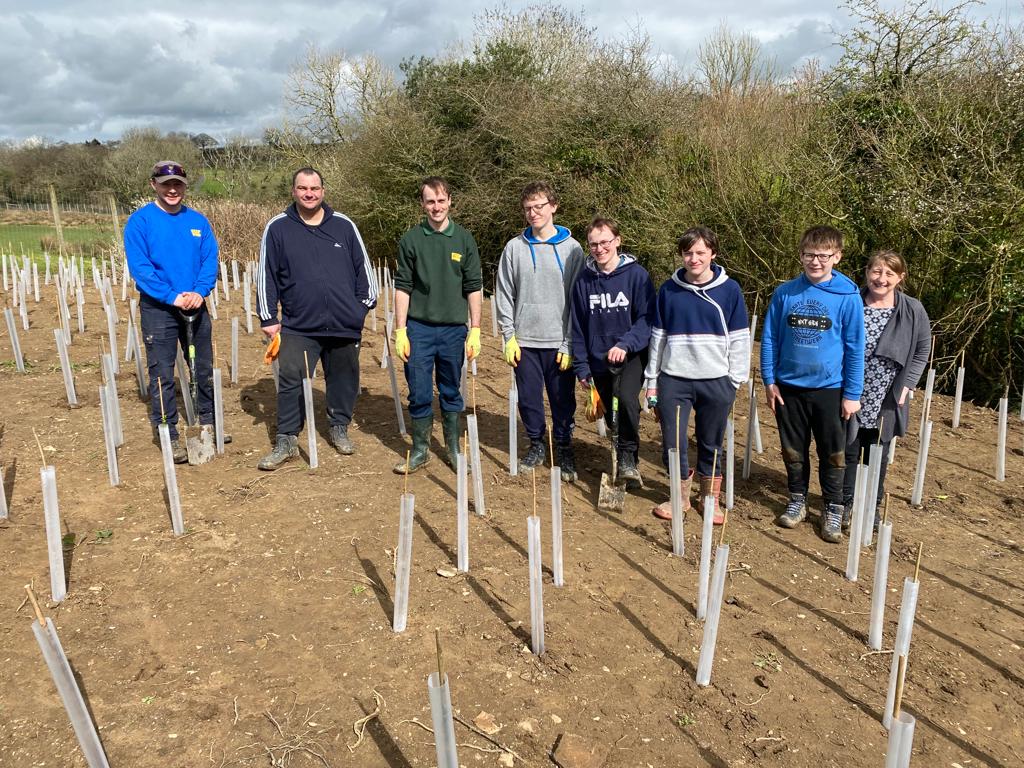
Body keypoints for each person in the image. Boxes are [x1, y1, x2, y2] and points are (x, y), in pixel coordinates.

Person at [255, 167, 378, 470]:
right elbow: (266, 275)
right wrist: (269, 317)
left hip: (343, 324)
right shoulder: (278, 227)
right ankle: (286, 438)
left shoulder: (344, 226)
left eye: (314, 188)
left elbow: (364, 269)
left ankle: (338, 427)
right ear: (293, 191)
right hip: (299, 324)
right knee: (291, 378)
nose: (309, 193)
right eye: (302, 188)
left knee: (344, 378)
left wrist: (360, 307)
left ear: (323, 190)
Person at [760, 225, 865, 543]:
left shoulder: (848, 298)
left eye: (823, 255)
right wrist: (768, 379)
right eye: (809, 254)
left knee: (833, 453)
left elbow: (855, 347)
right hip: (788, 387)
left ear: (837, 257)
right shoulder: (785, 293)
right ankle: (797, 499)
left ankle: (832, 508)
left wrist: (852, 393)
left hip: (831, 390)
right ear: (801, 255)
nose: (815, 261)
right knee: (793, 450)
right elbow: (769, 337)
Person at [645, 227, 750, 524]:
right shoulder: (668, 289)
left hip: (716, 381)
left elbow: (741, 338)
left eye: (701, 252)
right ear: (681, 255)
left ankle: (709, 499)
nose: (694, 259)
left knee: (711, 441)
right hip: (674, 378)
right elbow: (658, 339)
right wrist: (652, 382)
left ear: (713, 254)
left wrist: (734, 380)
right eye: (688, 253)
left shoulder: (730, 291)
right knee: (673, 440)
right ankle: (679, 497)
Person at [124, 160, 219, 463]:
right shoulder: (140, 222)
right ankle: (170, 433)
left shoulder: (199, 222)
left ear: (185, 186)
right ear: (154, 185)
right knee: (162, 373)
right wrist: (172, 296)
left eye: (178, 184)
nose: (173, 189)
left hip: (196, 305)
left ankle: (208, 425)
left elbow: (209, 260)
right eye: (166, 184)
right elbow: (141, 269)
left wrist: (200, 292)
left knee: (201, 370)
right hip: (159, 309)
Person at [392, 177, 483, 473]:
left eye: (441, 201)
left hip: (453, 330)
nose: (436, 207)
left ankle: (454, 449)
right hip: (419, 328)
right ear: (423, 204)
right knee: (418, 390)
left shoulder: (464, 240)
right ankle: (420, 450)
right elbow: (403, 287)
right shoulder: (411, 240)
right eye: (430, 201)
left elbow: (473, 286)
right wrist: (401, 329)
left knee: (450, 390)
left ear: (450, 202)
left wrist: (476, 329)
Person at [495, 182, 585, 480]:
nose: (533, 213)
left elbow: (578, 299)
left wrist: (569, 342)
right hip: (525, 342)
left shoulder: (573, 249)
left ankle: (563, 446)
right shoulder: (514, 248)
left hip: (559, 342)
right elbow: (504, 293)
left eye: (539, 206)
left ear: (553, 206)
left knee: (562, 400)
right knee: (529, 399)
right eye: (527, 209)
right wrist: (508, 336)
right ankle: (536, 443)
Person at [842, 250, 930, 527]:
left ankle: (871, 507)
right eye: (876, 272)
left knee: (877, 450)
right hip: (851, 388)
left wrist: (908, 384)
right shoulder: (851, 301)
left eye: (889, 274)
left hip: (887, 392)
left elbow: (921, 350)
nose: (881, 279)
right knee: (849, 448)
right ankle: (845, 503)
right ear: (867, 272)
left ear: (900, 277)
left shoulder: (912, 309)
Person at [569, 217, 655, 484]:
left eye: (605, 242)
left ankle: (629, 459)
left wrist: (625, 344)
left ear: (617, 241)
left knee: (628, 402)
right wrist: (581, 366)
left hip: (630, 357)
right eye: (593, 244)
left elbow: (646, 319)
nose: (599, 248)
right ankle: (619, 450)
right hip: (598, 359)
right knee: (609, 413)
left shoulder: (637, 276)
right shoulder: (583, 281)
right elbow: (579, 327)